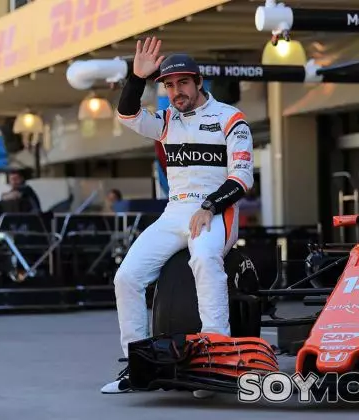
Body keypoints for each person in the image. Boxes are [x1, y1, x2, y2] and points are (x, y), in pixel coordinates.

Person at [101, 37, 254, 396]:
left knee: (203, 258)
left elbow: (243, 175)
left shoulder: (230, 117)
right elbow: (127, 114)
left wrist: (210, 207)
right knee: (126, 277)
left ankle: (216, 363)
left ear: (199, 82)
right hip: (175, 212)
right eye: (169, 85)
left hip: (217, 210)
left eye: (183, 82)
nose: (176, 91)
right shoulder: (167, 120)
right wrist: (136, 79)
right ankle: (137, 368)